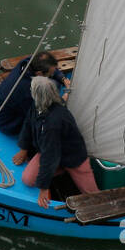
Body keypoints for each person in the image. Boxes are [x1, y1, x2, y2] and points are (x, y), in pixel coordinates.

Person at [12, 76, 96, 208]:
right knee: (28, 179)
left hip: (73, 158)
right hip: (52, 152)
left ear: (37, 94)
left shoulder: (54, 122)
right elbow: (28, 125)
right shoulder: (36, 107)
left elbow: (50, 156)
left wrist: (43, 189)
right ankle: (61, 170)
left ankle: (65, 170)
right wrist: (23, 149)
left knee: (93, 197)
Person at [0, 51, 67, 136]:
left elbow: (52, 68)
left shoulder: (28, 62)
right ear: (39, 73)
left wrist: (63, 78)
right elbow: (40, 113)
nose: (52, 74)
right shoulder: (25, 90)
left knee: (56, 84)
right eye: (50, 73)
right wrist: (62, 100)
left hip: (14, 106)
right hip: (10, 124)